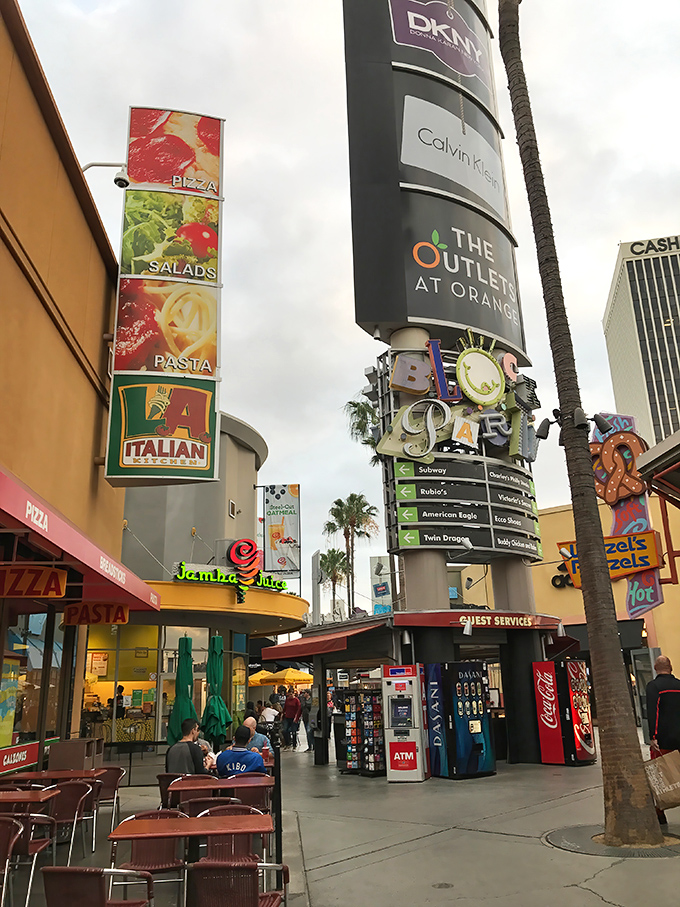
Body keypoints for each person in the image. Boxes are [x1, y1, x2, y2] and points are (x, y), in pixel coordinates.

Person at [646, 654, 680, 825]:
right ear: (671, 667)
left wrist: (653, 736)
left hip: (664, 739)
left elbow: (654, 713)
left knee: (659, 776)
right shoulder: (679, 685)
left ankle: (660, 813)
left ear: (654, 668)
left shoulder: (654, 687)